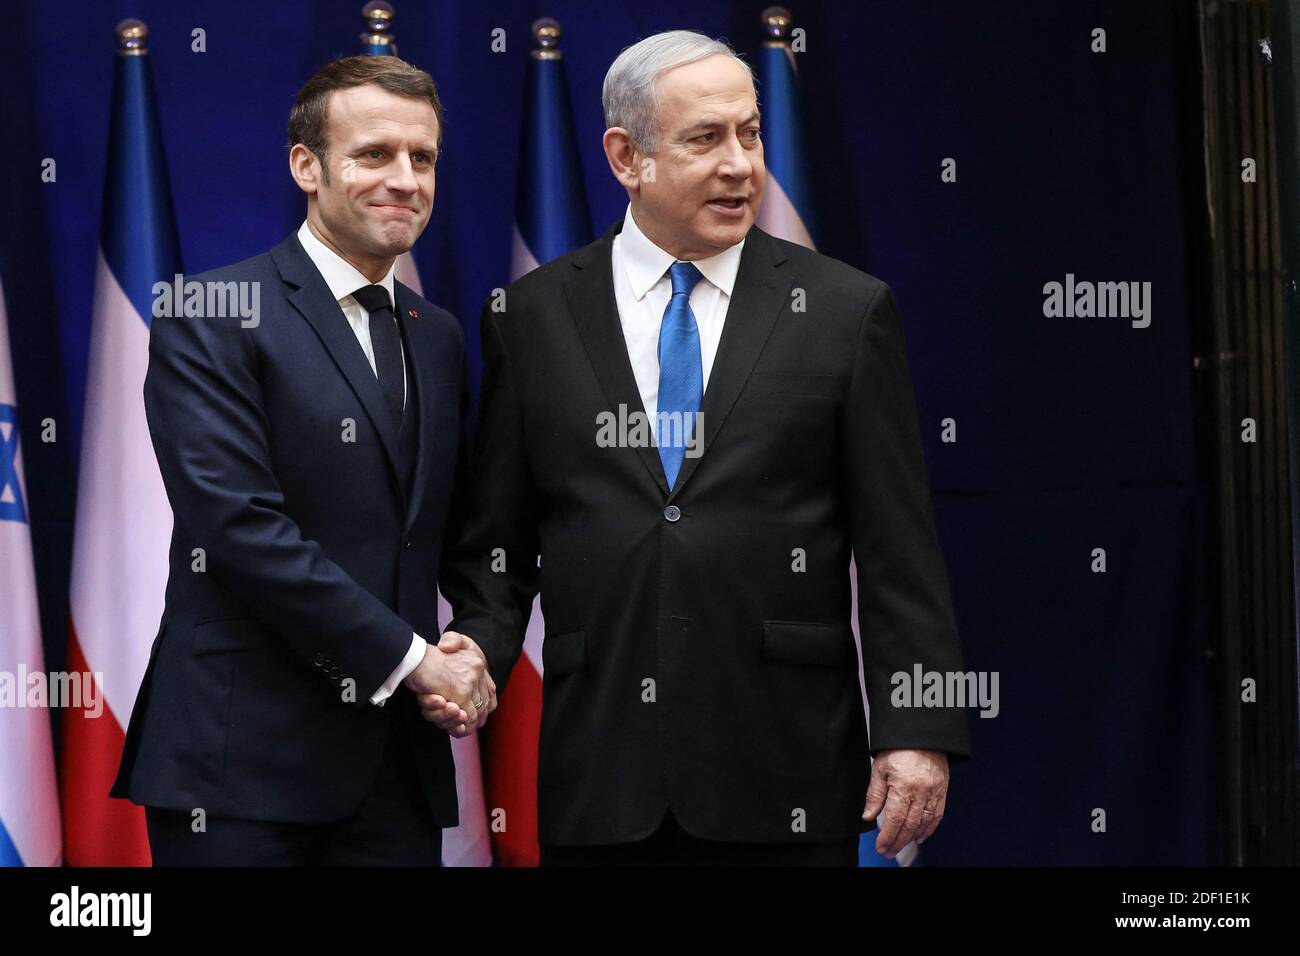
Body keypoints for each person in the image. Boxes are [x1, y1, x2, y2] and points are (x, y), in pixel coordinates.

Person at [435, 30, 971, 866]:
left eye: (749, 134)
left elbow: (899, 546)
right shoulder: (532, 317)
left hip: (786, 766)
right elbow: (501, 542)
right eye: (705, 138)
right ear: (626, 157)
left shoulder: (843, 311)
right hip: (603, 772)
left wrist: (916, 731)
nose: (740, 164)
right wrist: (477, 649)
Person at [111, 55, 496, 866]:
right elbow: (240, 528)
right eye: (373, 154)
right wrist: (417, 661)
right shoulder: (210, 315)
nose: (405, 179)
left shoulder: (440, 335)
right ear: (306, 167)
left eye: (421, 158)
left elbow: (460, 525)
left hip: (394, 775)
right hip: (240, 771)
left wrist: (477, 642)